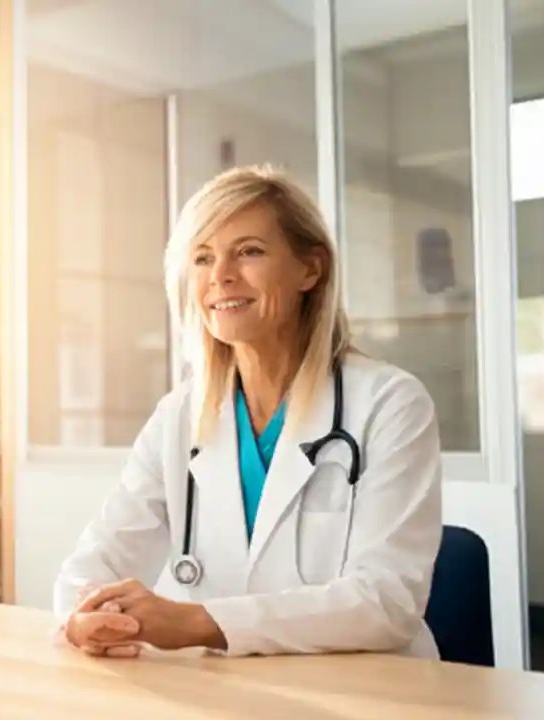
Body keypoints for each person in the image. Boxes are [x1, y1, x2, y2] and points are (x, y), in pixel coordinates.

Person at [54, 166, 443, 659]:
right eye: (202, 257)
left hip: (368, 693)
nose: (220, 276)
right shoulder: (179, 417)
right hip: (234, 691)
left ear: (311, 269)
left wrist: (198, 620)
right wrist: (85, 618)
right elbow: (93, 566)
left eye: (249, 251)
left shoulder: (389, 403)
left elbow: (385, 603)